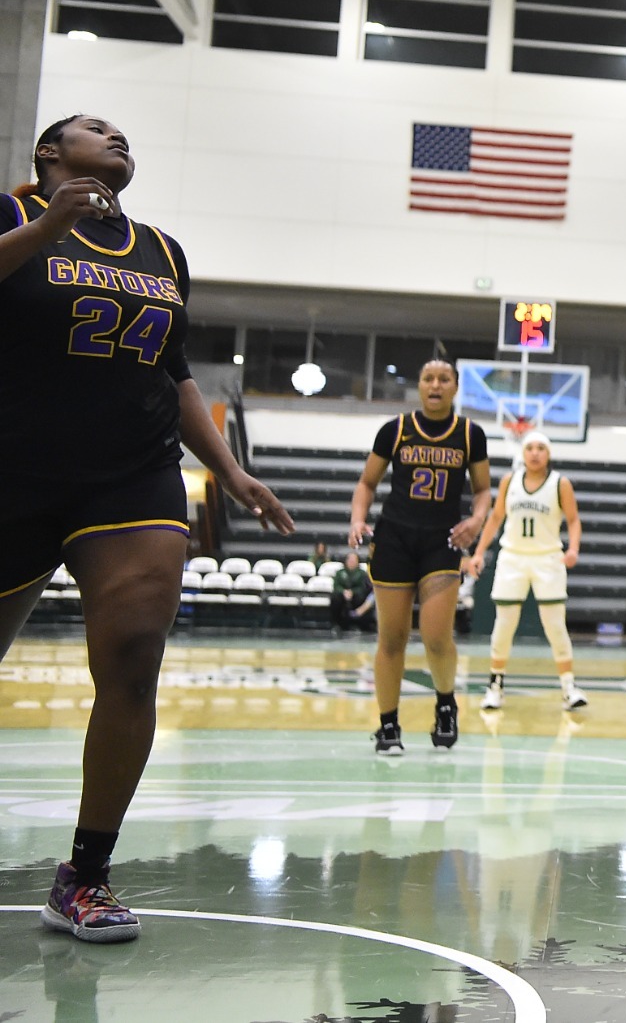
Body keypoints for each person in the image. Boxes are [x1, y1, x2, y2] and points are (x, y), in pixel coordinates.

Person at [0, 113, 295, 941]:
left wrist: (228, 469)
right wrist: (52, 225)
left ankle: (84, 875)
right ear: (49, 153)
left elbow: (175, 375)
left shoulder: (161, 252)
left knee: (133, 656)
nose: (119, 137)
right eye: (98, 129)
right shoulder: (13, 213)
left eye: (125, 132)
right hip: (13, 472)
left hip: (131, 477)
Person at [349, 359, 490, 756]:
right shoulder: (395, 430)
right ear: (420, 385)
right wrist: (358, 519)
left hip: (442, 542)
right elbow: (367, 482)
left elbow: (482, 492)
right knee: (391, 638)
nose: (435, 384)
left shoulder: (469, 434)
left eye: (444, 379)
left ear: (455, 387)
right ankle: (388, 724)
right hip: (394, 539)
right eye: (428, 377)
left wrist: (477, 520)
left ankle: (446, 704)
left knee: (435, 638)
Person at [467, 431, 585, 712]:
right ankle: (495, 686)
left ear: (549, 453)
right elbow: (496, 518)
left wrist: (573, 549)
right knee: (504, 623)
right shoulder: (509, 481)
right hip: (513, 558)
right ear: (522, 452)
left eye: (540, 448)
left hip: (548, 559)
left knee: (555, 625)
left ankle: (569, 687)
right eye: (529, 447)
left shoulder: (560, 484)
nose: (534, 453)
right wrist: (479, 552)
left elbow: (573, 520)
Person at [331, 549, 375, 634]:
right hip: (342, 595)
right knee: (335, 598)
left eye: (354, 560)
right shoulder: (340, 573)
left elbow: (363, 587)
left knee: (361, 597)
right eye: (350, 559)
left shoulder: (362, 573)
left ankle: (359, 624)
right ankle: (337, 624)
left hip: (356, 596)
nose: (352, 562)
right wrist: (344, 591)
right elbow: (336, 586)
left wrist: (352, 592)